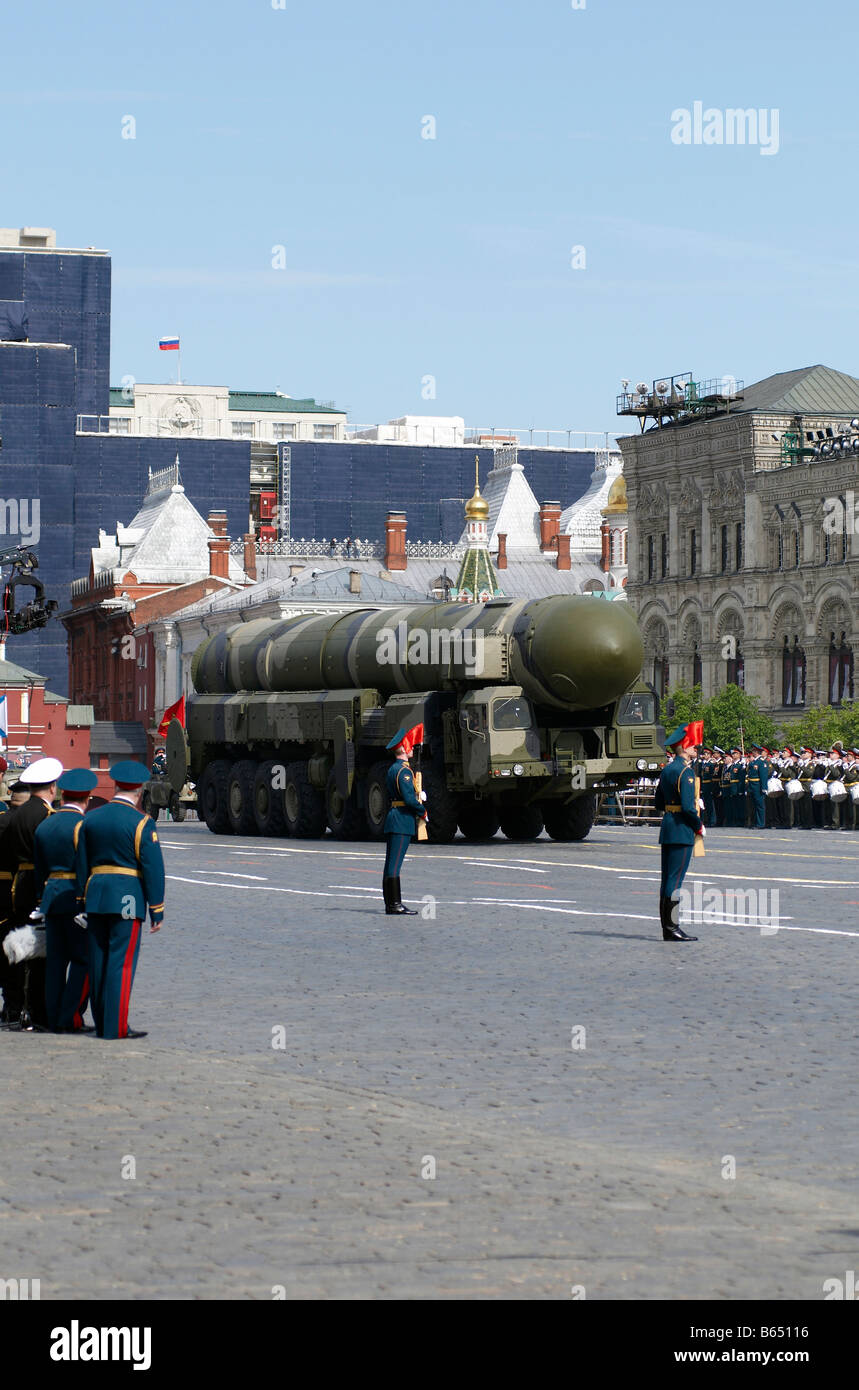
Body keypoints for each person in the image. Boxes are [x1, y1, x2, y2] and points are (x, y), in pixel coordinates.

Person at [75, 761, 165, 1040]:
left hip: (96, 896)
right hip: (127, 898)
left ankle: (102, 1022)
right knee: (121, 963)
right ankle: (115, 1027)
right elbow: (153, 869)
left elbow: (81, 863)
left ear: (115, 786)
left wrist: (81, 899)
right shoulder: (141, 822)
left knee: (99, 961)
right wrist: (156, 909)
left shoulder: (89, 819)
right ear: (139, 792)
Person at [34, 768, 97, 1033]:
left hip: (51, 897)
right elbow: (87, 866)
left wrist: (41, 899)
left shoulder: (46, 824)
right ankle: (69, 1017)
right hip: (74, 896)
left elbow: (40, 869)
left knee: (55, 963)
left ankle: (51, 1016)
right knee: (82, 960)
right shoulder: (83, 826)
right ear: (88, 797)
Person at [653, 725, 705, 942]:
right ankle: (672, 927)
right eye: (693, 745)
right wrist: (698, 825)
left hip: (668, 827)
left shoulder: (667, 769)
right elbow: (688, 807)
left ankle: (668, 927)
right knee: (675, 882)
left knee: (667, 880)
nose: (696, 748)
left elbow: (658, 802)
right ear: (684, 747)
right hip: (682, 829)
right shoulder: (686, 771)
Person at [381, 724, 428, 916]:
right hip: (402, 820)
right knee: (395, 864)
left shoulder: (393, 769)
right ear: (404, 749)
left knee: (390, 863)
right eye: (409, 746)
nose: (411, 750)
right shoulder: (404, 772)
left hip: (394, 817)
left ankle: (391, 903)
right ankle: (394, 905)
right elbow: (408, 799)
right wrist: (422, 810)